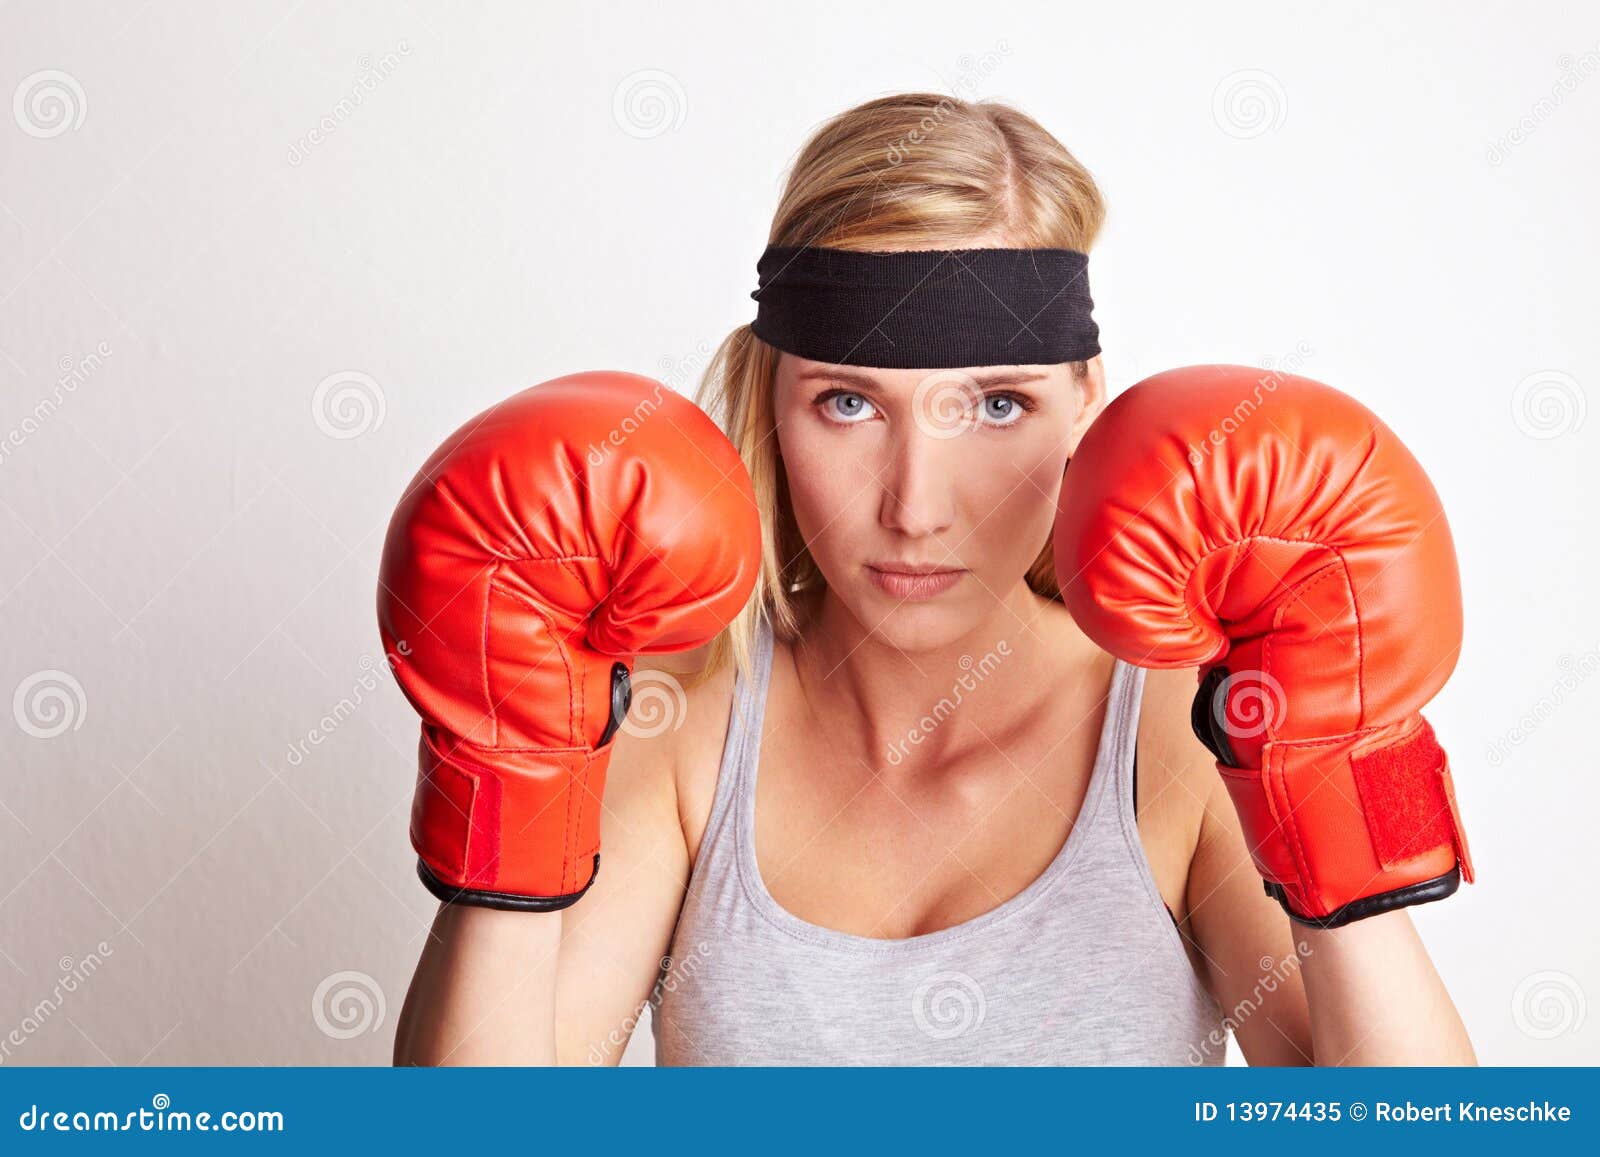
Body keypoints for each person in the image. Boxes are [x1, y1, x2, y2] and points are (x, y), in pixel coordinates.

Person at [382, 93, 1475, 1066]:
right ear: (771, 398)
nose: (915, 504)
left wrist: (1331, 767)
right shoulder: (684, 724)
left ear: (1084, 397)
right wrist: (510, 762)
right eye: (848, 403)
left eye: (996, 404)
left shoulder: (1176, 735)